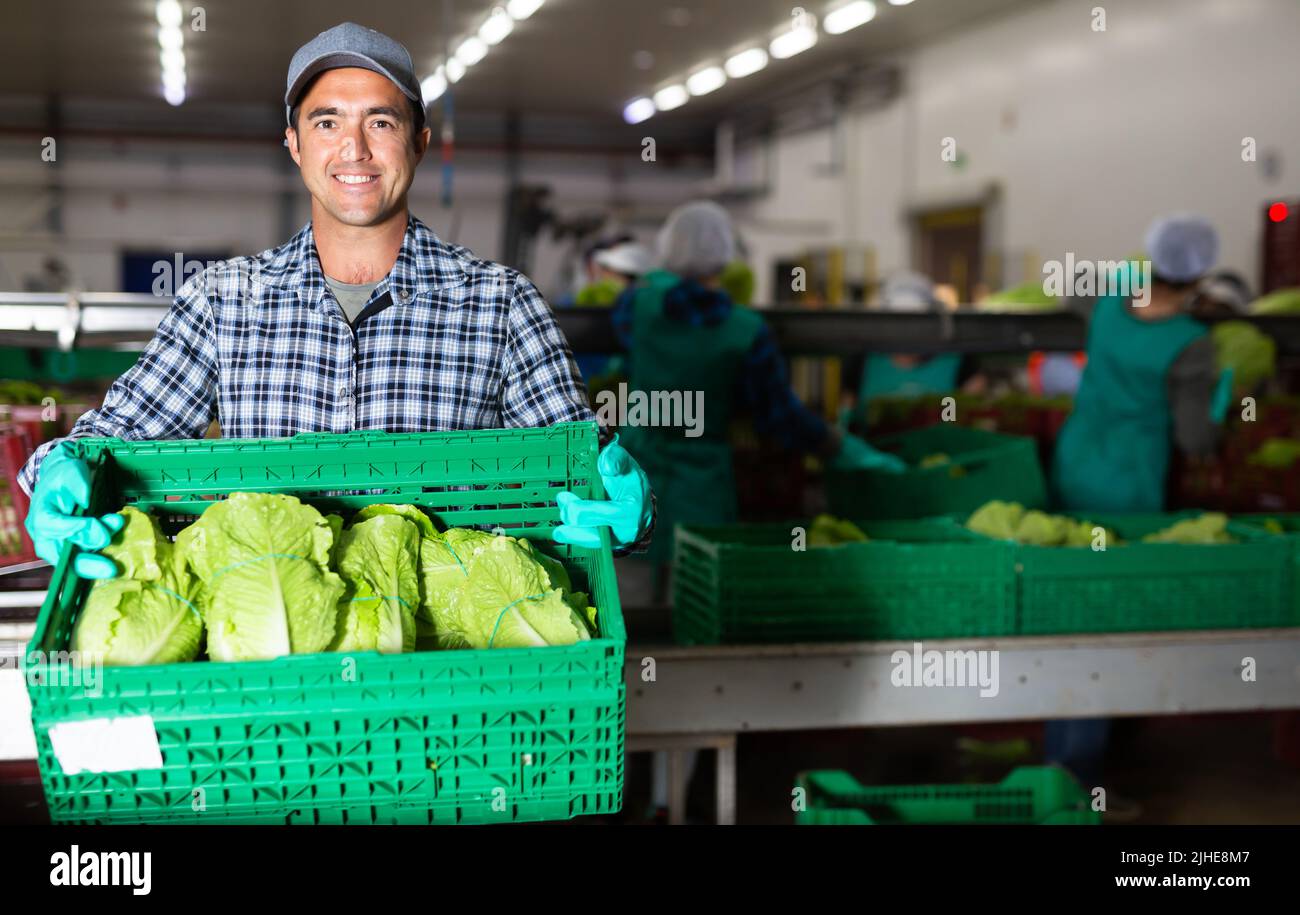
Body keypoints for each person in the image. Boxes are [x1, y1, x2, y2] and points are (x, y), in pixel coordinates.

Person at [21, 22, 653, 578]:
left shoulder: (502, 304)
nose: (354, 149)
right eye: (327, 122)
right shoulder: (222, 303)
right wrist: (60, 470)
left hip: (447, 676)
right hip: (277, 672)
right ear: (294, 144)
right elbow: (113, 439)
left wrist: (621, 498)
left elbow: (578, 467)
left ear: (420, 142)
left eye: (381, 122)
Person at [1046, 214, 1228, 795]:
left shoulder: (1106, 299)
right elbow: (1195, 439)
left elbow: (1069, 287)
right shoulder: (1192, 345)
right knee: (1105, 624)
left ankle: (1064, 762)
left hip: (1076, 467)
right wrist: (1228, 403)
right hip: (1131, 485)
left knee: (1067, 613)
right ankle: (1081, 776)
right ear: (1199, 276)